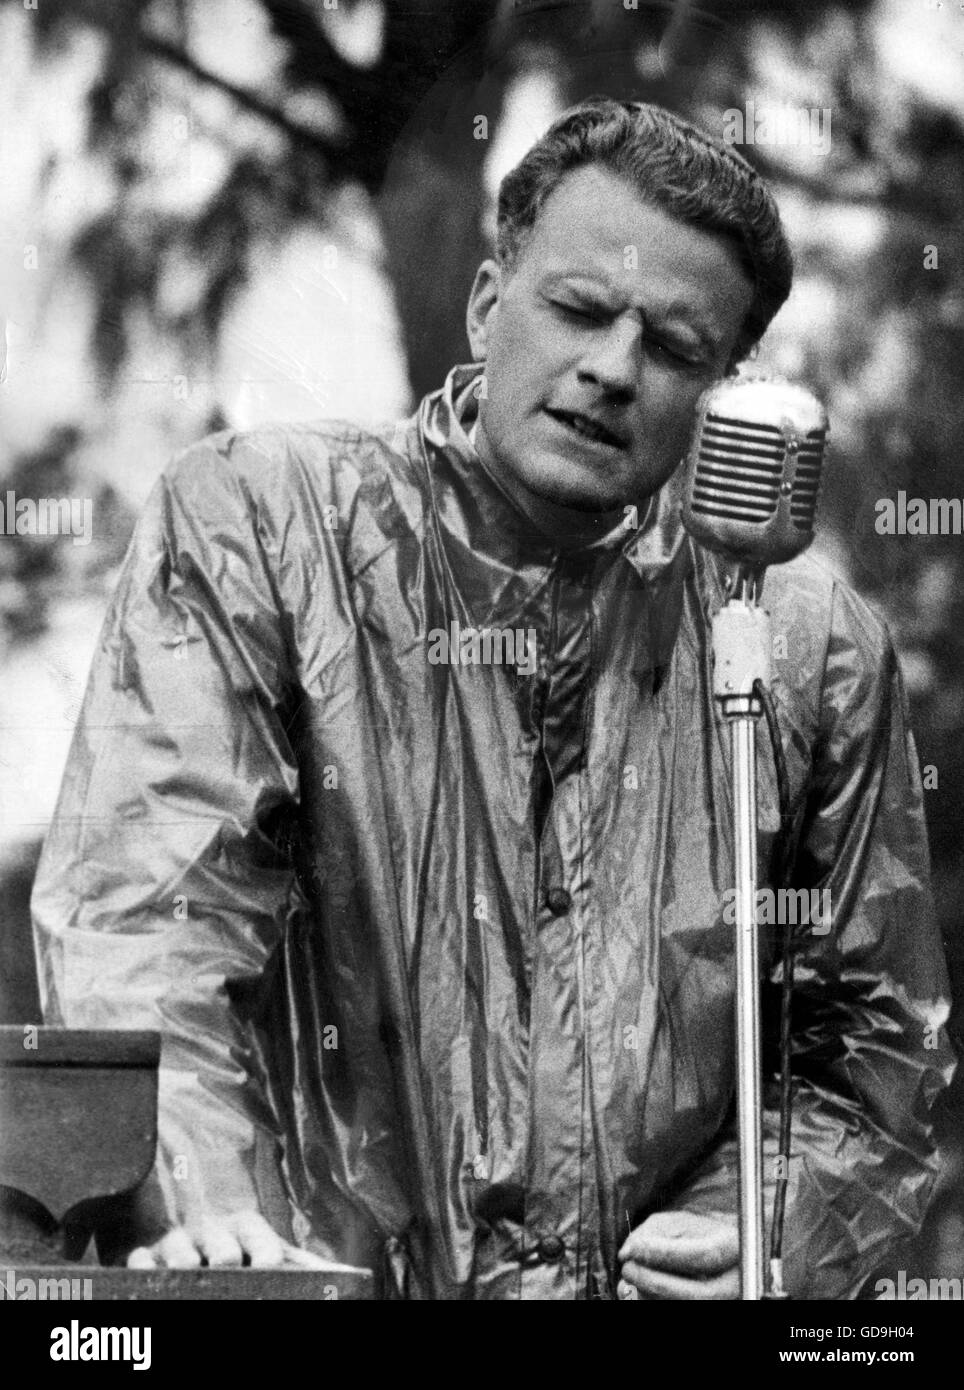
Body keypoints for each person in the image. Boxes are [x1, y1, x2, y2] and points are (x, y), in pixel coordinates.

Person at [31, 99, 954, 1300]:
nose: (613, 369)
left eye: (673, 347)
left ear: (725, 390)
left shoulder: (803, 641)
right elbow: (155, 906)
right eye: (578, 310)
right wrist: (202, 1193)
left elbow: (870, 1048)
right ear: (485, 305)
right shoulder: (262, 523)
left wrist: (764, 1227)